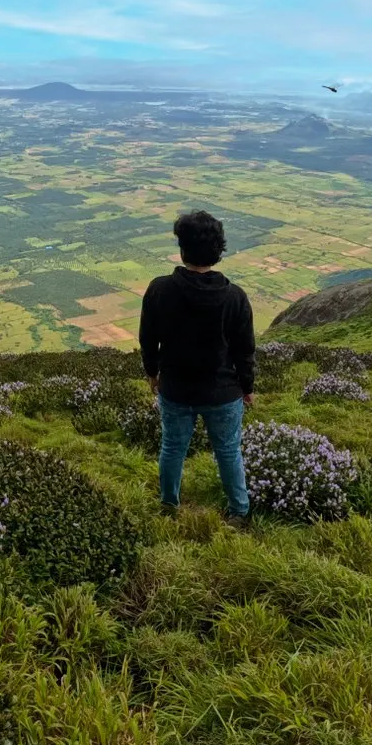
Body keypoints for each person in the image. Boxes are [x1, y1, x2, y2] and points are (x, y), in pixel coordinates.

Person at [138, 210, 256, 524]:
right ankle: (239, 512)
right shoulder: (235, 297)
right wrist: (248, 387)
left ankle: (168, 506)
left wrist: (152, 373)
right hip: (223, 392)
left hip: (176, 389)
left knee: (173, 447)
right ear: (219, 250)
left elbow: (148, 338)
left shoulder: (159, 289)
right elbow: (245, 350)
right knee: (228, 451)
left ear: (182, 248)